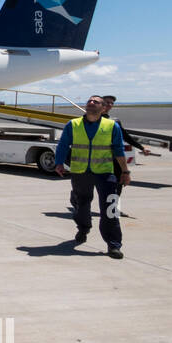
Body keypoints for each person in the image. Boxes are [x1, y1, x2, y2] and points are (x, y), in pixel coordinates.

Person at [55, 94, 130, 258]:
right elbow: (63, 145)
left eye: (96, 101)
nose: (91, 102)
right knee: (81, 204)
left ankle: (113, 245)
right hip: (80, 172)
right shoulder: (73, 124)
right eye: (89, 100)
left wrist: (125, 171)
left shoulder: (112, 126)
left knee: (110, 208)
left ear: (103, 108)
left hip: (105, 172)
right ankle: (83, 228)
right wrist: (59, 163)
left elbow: (119, 149)